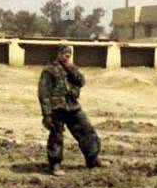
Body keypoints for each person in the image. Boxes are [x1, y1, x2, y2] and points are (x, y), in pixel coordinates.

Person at [38, 45, 106, 176]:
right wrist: (46, 114)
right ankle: (55, 164)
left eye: (69, 54)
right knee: (56, 136)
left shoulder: (71, 68)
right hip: (57, 108)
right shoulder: (49, 70)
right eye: (64, 53)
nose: (67, 56)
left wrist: (71, 68)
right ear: (57, 54)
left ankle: (92, 159)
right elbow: (44, 93)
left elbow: (81, 82)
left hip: (73, 106)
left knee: (87, 131)